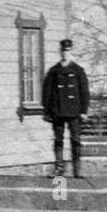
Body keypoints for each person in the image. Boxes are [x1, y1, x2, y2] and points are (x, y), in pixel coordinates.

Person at [42, 38, 89, 178]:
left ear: (71, 52)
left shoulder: (78, 70)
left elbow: (84, 92)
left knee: (75, 140)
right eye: (63, 50)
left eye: (67, 51)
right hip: (58, 111)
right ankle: (59, 168)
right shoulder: (53, 71)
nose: (65, 53)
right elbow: (46, 92)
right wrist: (46, 111)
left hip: (74, 112)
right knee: (58, 140)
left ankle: (77, 169)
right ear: (60, 52)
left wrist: (84, 111)